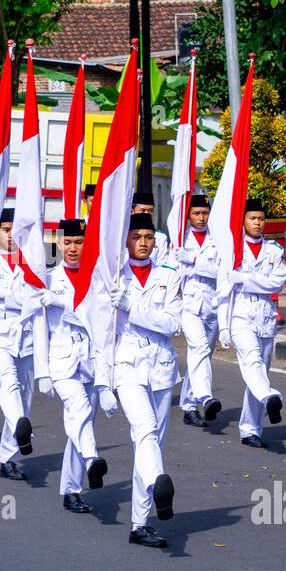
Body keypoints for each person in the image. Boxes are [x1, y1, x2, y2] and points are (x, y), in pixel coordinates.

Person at [105, 212, 181, 549]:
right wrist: (102, 382)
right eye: (136, 236)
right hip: (128, 366)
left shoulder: (169, 275)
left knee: (150, 444)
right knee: (145, 430)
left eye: (148, 237)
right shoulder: (113, 276)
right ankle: (158, 484)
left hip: (161, 367)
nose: (143, 242)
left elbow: (171, 324)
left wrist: (133, 308)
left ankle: (140, 522)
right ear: (126, 240)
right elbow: (101, 331)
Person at [0, 207, 45, 481]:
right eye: (5, 230)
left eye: (16, 231)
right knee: (9, 384)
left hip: (25, 337)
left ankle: (9, 457)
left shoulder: (34, 263)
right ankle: (20, 428)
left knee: (23, 398)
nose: (11, 236)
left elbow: (36, 301)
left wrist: (4, 294)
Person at [39, 218, 107, 513]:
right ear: (59, 244)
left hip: (91, 361)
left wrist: (64, 303)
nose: (73, 248)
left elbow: (99, 322)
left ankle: (71, 489)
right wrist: (42, 370)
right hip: (63, 362)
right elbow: (39, 327)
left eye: (78, 242)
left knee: (81, 425)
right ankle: (93, 460)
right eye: (67, 242)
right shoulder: (49, 279)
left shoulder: (97, 279)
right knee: (79, 411)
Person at [219, 198, 286, 448]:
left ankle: (251, 429)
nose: (257, 223)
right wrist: (224, 325)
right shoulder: (233, 249)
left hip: (266, 315)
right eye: (252, 218)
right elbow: (224, 289)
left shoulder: (274, 250)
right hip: (240, 313)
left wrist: (245, 278)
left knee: (258, 373)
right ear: (243, 221)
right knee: (252, 361)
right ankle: (270, 396)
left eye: (260, 219)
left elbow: (277, 283)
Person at [175, 194, 223, 428]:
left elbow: (220, 271)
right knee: (199, 348)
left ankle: (189, 405)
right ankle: (206, 397)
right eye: (196, 213)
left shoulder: (219, 239)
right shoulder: (179, 238)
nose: (202, 218)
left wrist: (194, 261)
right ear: (188, 215)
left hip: (212, 304)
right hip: (189, 304)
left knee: (202, 356)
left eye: (205, 213)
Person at [131, 190, 168, 262]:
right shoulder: (124, 235)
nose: (147, 214)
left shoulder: (160, 237)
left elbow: (162, 263)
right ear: (132, 211)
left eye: (150, 211)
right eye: (142, 210)